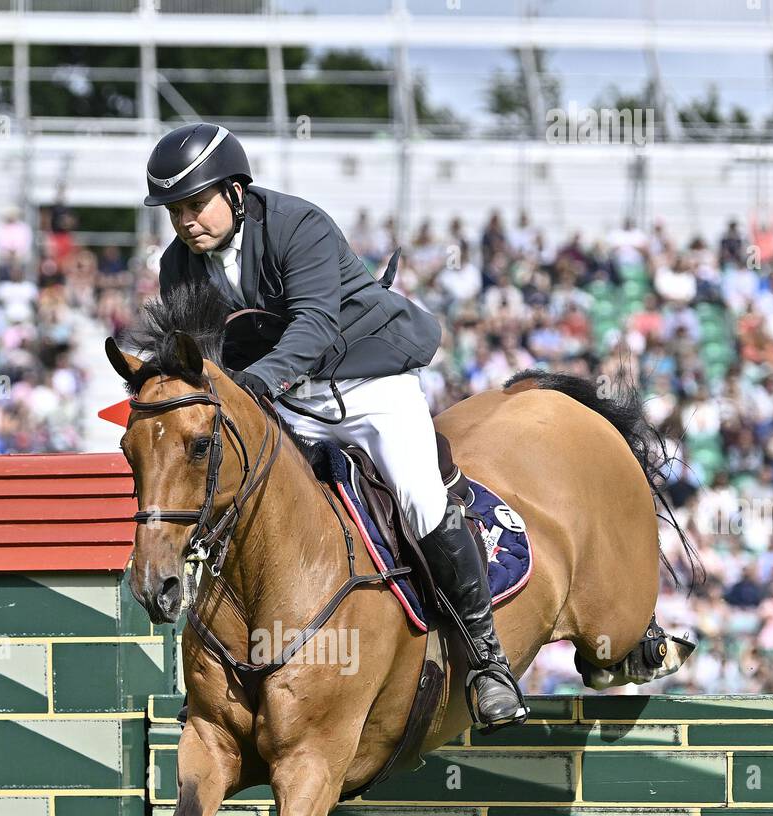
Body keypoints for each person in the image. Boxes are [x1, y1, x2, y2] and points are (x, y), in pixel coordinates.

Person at [143, 122, 527, 731]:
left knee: (418, 495)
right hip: (286, 401)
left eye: (196, 204)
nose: (187, 222)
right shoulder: (178, 267)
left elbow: (315, 326)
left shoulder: (300, 225)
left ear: (235, 192)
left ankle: (488, 663)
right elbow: (194, 359)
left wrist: (253, 388)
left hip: (367, 382)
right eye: (175, 212)